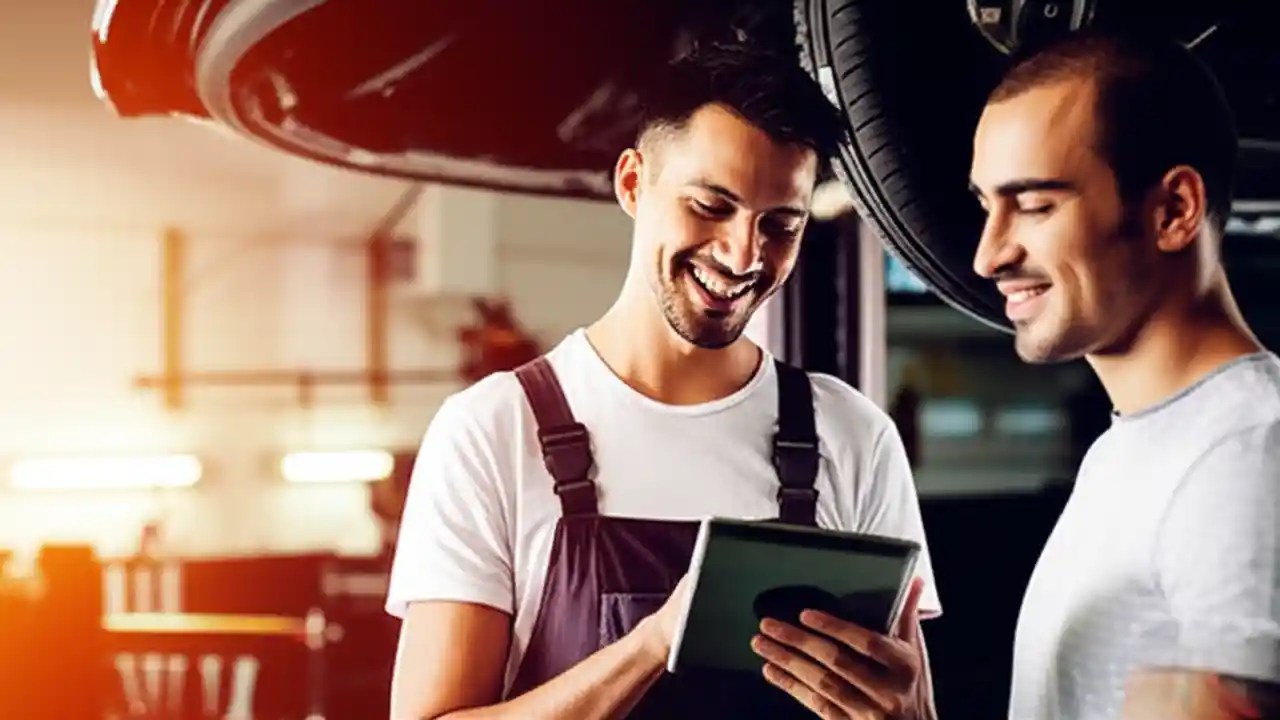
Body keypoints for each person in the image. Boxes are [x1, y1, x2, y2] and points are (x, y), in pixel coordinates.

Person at [385, 42, 943, 719]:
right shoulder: (493, 431)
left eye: (779, 226)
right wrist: (649, 645)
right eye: (711, 206)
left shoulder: (852, 436)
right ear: (631, 183)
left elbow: (912, 707)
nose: (744, 254)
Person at [968, 29, 1280, 720]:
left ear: (1173, 211)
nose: (988, 255)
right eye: (985, 206)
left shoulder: (1245, 455)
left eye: (1035, 204)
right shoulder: (1137, 446)